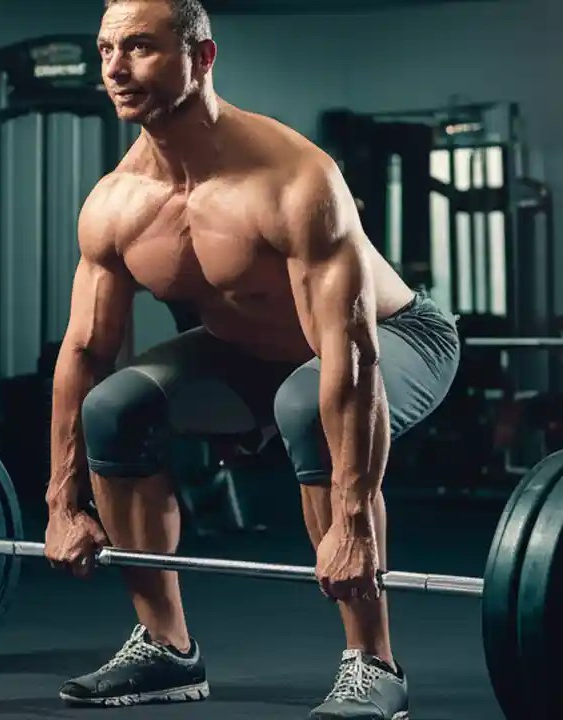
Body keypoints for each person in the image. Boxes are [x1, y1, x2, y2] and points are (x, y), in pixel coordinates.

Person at [42, 1, 460, 718]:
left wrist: (354, 520)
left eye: (139, 47)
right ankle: (164, 648)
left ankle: (373, 663)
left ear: (201, 59)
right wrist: (61, 498)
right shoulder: (115, 203)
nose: (114, 67)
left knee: (305, 404)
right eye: (107, 49)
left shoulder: (295, 180)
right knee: (115, 410)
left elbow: (349, 354)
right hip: (247, 357)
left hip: (395, 338)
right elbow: (84, 350)